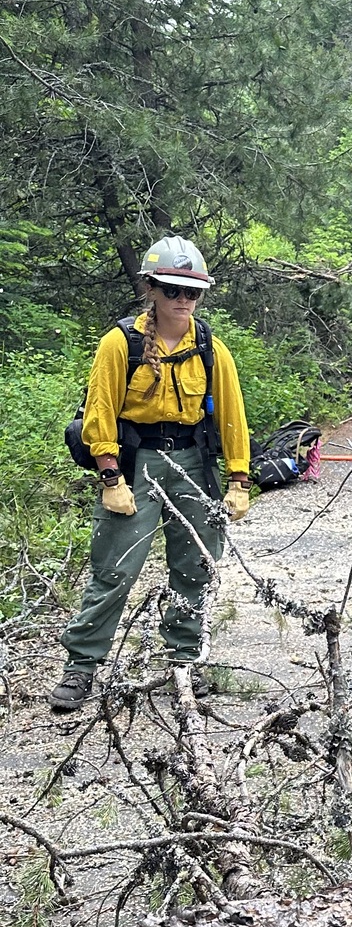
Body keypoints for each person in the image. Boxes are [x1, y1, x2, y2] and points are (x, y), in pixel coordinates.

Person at [49, 237, 253, 714]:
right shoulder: (120, 343)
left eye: (192, 292)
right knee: (116, 568)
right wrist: (110, 477)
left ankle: (185, 660)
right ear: (151, 289)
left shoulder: (210, 348)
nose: (183, 300)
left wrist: (239, 479)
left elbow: (232, 417)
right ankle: (81, 665)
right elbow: (100, 412)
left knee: (196, 563)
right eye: (172, 290)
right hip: (136, 460)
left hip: (193, 461)